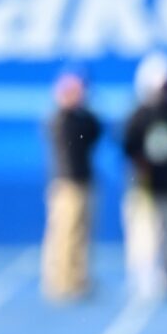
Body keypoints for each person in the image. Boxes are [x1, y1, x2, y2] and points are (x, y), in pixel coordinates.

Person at [122, 52, 167, 296]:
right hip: (146, 187)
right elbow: (129, 149)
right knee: (145, 234)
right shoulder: (138, 117)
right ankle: (143, 275)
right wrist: (142, 173)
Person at [42, 71, 101, 302]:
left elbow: (95, 130)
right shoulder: (60, 120)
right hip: (67, 183)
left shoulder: (79, 118)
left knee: (80, 233)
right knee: (64, 234)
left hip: (81, 181)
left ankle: (77, 278)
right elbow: (81, 134)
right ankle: (61, 281)